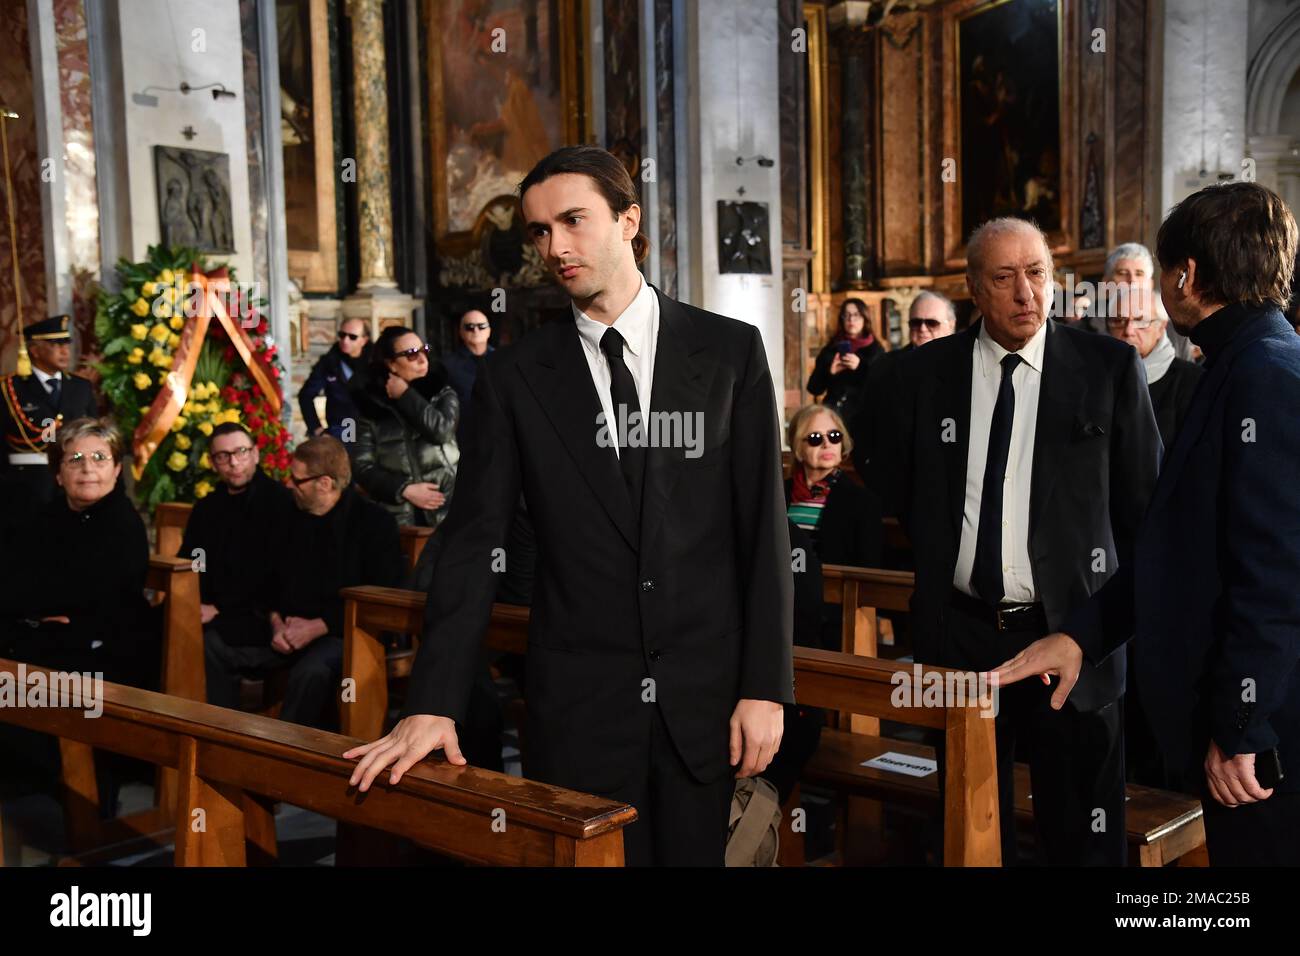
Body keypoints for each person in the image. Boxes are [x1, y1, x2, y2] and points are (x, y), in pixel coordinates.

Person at [345, 145, 792, 867]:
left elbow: (761, 534)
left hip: (704, 704)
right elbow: (470, 541)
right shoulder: (516, 377)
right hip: (579, 709)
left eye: (573, 221)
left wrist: (766, 689)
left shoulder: (729, 351)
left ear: (628, 220)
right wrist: (431, 702)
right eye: (539, 232)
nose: (554, 247)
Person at [992, 182, 1300, 866]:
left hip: (1265, 739)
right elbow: (1183, 551)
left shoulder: (1264, 374)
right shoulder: (1239, 362)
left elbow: (1275, 575)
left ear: (1185, 276)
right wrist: (1083, 635)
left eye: (1164, 271)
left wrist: (1242, 727)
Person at [895, 217, 1161, 865]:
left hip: (1071, 642)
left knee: (1081, 840)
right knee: (969, 834)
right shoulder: (923, 374)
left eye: (1037, 273)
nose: (1026, 293)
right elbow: (907, 496)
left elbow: (1148, 527)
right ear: (973, 290)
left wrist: (1093, 634)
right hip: (961, 638)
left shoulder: (1108, 369)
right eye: (1004, 277)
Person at [204, 436, 402, 728]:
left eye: (297, 480)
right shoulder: (286, 515)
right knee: (213, 642)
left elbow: (381, 599)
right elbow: (264, 581)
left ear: (324, 483)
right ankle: (222, 736)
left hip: (344, 631)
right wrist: (275, 622)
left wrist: (317, 626)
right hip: (284, 628)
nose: (288, 485)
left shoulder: (374, 524)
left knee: (311, 671)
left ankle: (285, 759)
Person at [0, 418, 151, 687]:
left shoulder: (124, 523)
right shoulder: (45, 516)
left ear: (117, 469)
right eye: (75, 459)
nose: (87, 468)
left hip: (105, 646)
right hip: (43, 629)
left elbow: (107, 598)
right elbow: (16, 574)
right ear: (58, 473)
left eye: (99, 458)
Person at [191, 422, 295, 707]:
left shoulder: (282, 502)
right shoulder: (206, 508)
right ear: (213, 463)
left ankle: (220, 734)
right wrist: (191, 602)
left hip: (263, 615)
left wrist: (221, 608)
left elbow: (278, 575)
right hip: (211, 611)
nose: (234, 462)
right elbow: (190, 563)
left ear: (256, 454)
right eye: (223, 456)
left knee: (206, 643)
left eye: (241, 452)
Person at [852, 291, 957, 513]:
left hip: (953, 495)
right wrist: (875, 476)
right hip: (896, 494)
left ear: (951, 325)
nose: (923, 329)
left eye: (932, 323)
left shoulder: (970, 366)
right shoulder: (885, 367)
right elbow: (863, 427)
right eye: (916, 323)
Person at [350, 327, 460, 528]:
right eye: (411, 354)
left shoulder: (442, 393)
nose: (422, 360)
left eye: (424, 350)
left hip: (447, 508)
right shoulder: (370, 406)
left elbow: (441, 432)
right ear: (391, 364)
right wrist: (404, 490)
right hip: (398, 516)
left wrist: (405, 395)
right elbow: (360, 466)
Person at [1101, 243, 1203, 451]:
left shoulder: (1191, 382)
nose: (1128, 330)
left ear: (1161, 327)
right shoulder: (1095, 377)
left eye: (1140, 321)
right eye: (1119, 321)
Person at [0, 315, 98, 524]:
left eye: (66, 344)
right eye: (56, 344)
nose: (65, 351)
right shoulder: (9, 388)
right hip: (26, 486)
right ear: (34, 350)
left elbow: (95, 436)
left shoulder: (81, 387)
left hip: (76, 482)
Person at [785, 404, 883, 572]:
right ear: (798, 448)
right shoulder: (777, 494)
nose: (826, 444)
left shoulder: (863, 502)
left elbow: (868, 572)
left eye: (834, 436)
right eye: (815, 438)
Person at [806, 298, 883, 426]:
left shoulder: (876, 350)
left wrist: (860, 367)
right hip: (834, 417)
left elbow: (882, 387)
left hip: (865, 418)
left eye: (856, 315)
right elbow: (813, 388)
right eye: (846, 315)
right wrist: (830, 372)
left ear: (865, 318)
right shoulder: (831, 348)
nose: (851, 320)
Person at [298, 318, 370, 439]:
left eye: (352, 337)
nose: (345, 340)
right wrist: (316, 429)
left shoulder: (376, 362)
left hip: (370, 431)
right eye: (342, 335)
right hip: (340, 430)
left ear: (364, 340)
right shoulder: (329, 362)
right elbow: (306, 394)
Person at [443, 309, 494, 435]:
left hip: (499, 434)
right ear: (461, 332)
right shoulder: (447, 365)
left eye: (481, 326)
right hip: (464, 434)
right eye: (469, 327)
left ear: (489, 331)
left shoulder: (504, 360)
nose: (476, 330)